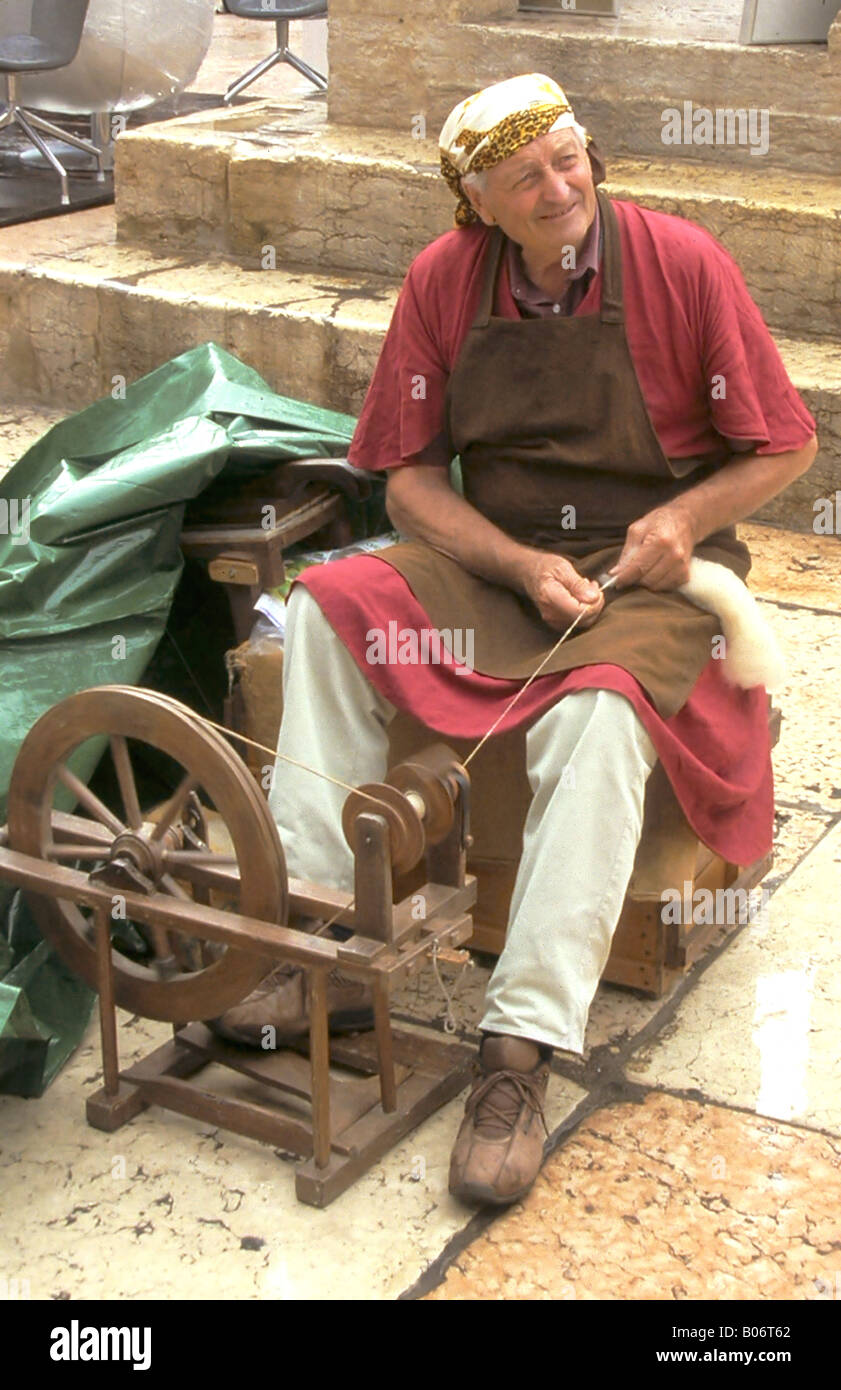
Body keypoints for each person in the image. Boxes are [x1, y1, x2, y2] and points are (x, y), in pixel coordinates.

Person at [214, 74, 817, 1206]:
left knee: (596, 715)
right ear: (476, 203)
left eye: (570, 158)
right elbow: (403, 479)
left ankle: (518, 1048)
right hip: (502, 555)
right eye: (525, 176)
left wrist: (682, 520)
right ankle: (320, 948)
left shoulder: (681, 264)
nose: (559, 188)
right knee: (328, 612)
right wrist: (512, 563)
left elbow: (783, 444)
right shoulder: (445, 281)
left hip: (649, 567)